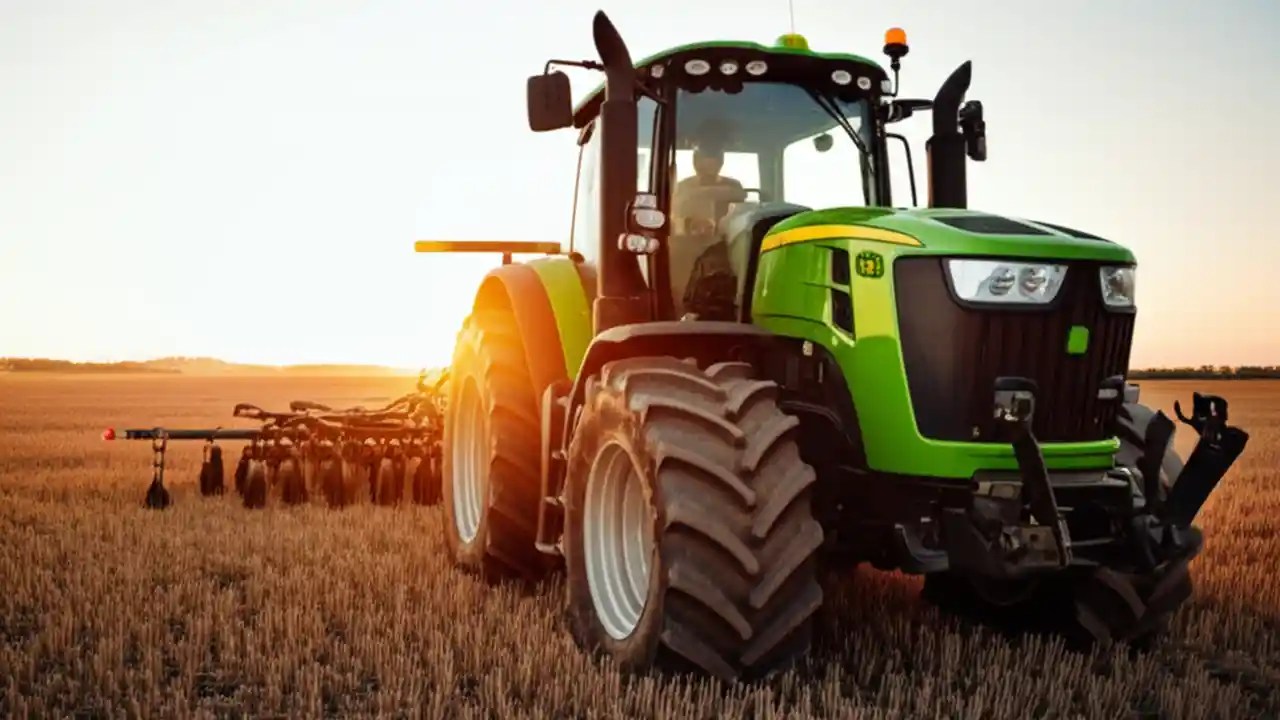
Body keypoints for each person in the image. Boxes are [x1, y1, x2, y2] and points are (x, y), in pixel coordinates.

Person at [670, 139, 745, 235]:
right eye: (703, 163)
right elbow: (674, 217)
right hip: (689, 240)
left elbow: (741, 217)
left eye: (712, 164)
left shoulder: (734, 186)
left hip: (726, 239)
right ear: (695, 163)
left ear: (720, 163)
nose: (708, 168)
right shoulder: (683, 187)